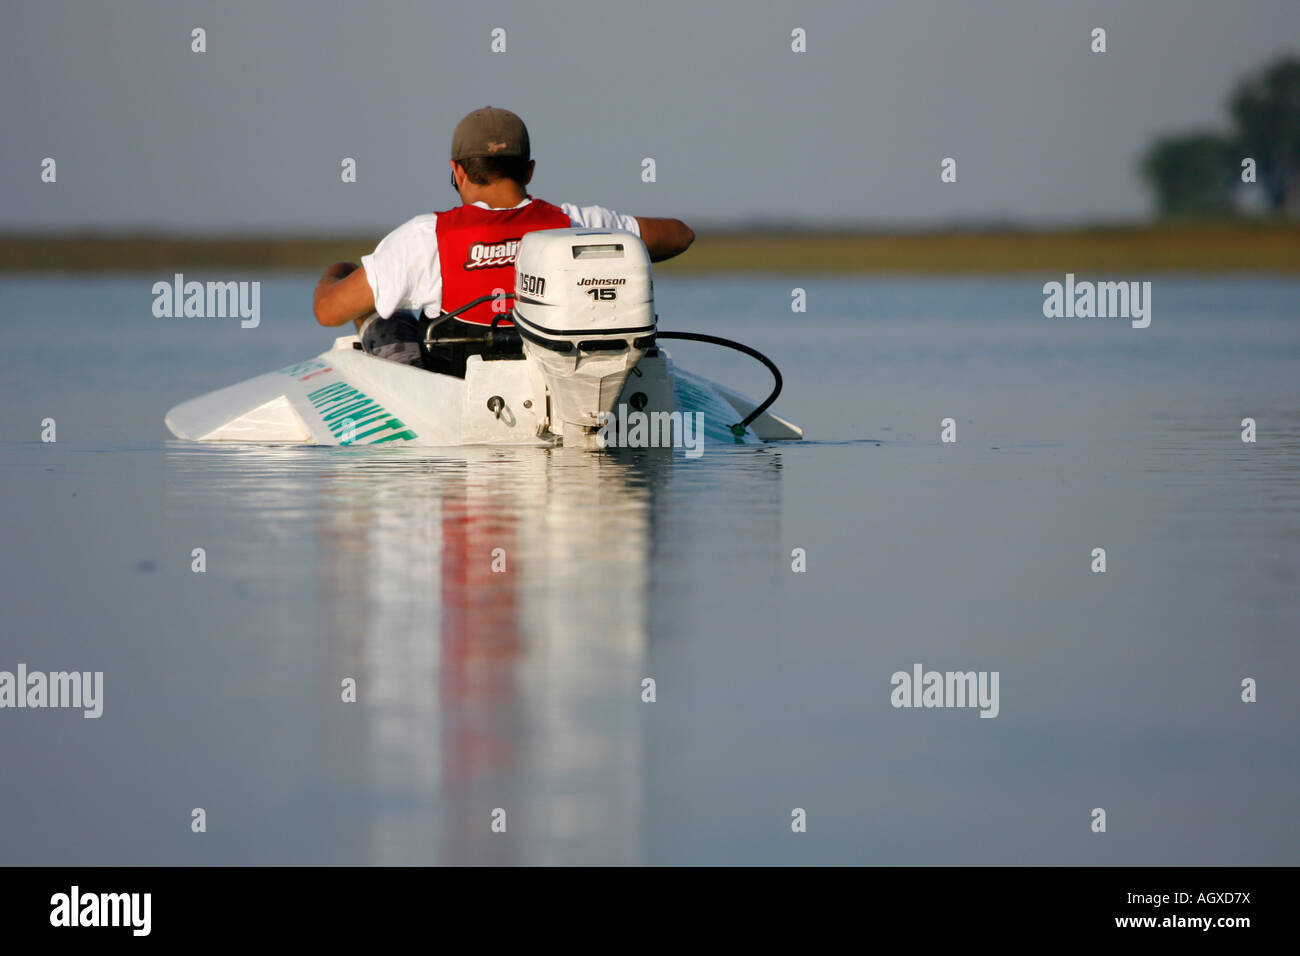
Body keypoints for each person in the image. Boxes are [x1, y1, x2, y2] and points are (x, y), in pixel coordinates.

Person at [312, 106, 694, 374]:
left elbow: (328, 311)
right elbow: (680, 235)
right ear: (528, 170)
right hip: (554, 377)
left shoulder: (424, 237)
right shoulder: (577, 223)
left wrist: (337, 271)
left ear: (457, 171)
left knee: (385, 310)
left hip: (452, 391)